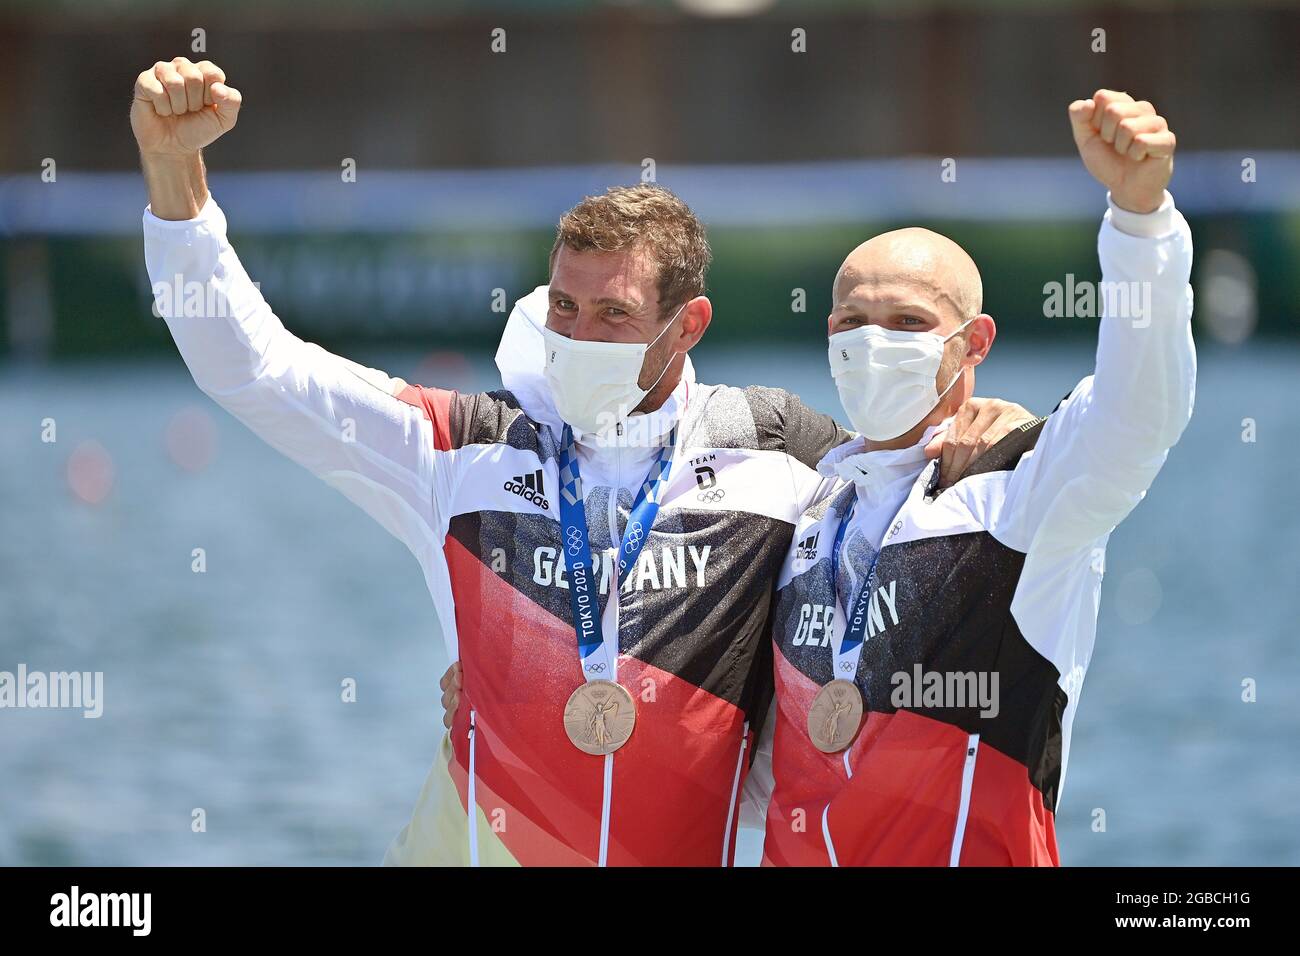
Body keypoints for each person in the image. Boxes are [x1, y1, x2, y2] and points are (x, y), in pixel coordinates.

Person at [133, 56, 1033, 866]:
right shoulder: (464, 444)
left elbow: (900, 482)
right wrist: (176, 179)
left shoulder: (777, 450)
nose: (578, 335)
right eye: (564, 306)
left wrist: (995, 426)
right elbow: (251, 366)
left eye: (614, 315)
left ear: (688, 325)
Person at [745, 90, 1195, 865]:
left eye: (908, 322)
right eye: (853, 324)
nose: (874, 343)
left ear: (974, 341)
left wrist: (1140, 219)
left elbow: (1139, 413)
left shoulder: (1021, 489)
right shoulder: (804, 515)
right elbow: (750, 773)